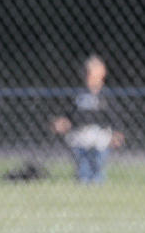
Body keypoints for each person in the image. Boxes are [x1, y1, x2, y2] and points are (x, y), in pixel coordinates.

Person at [51, 54, 124, 184]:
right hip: (80, 133)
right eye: (89, 74)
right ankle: (83, 179)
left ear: (103, 75)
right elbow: (68, 114)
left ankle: (97, 180)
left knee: (98, 159)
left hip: (101, 134)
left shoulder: (106, 96)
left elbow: (115, 116)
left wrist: (117, 133)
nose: (91, 78)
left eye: (96, 75)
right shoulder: (78, 94)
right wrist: (62, 123)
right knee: (83, 162)